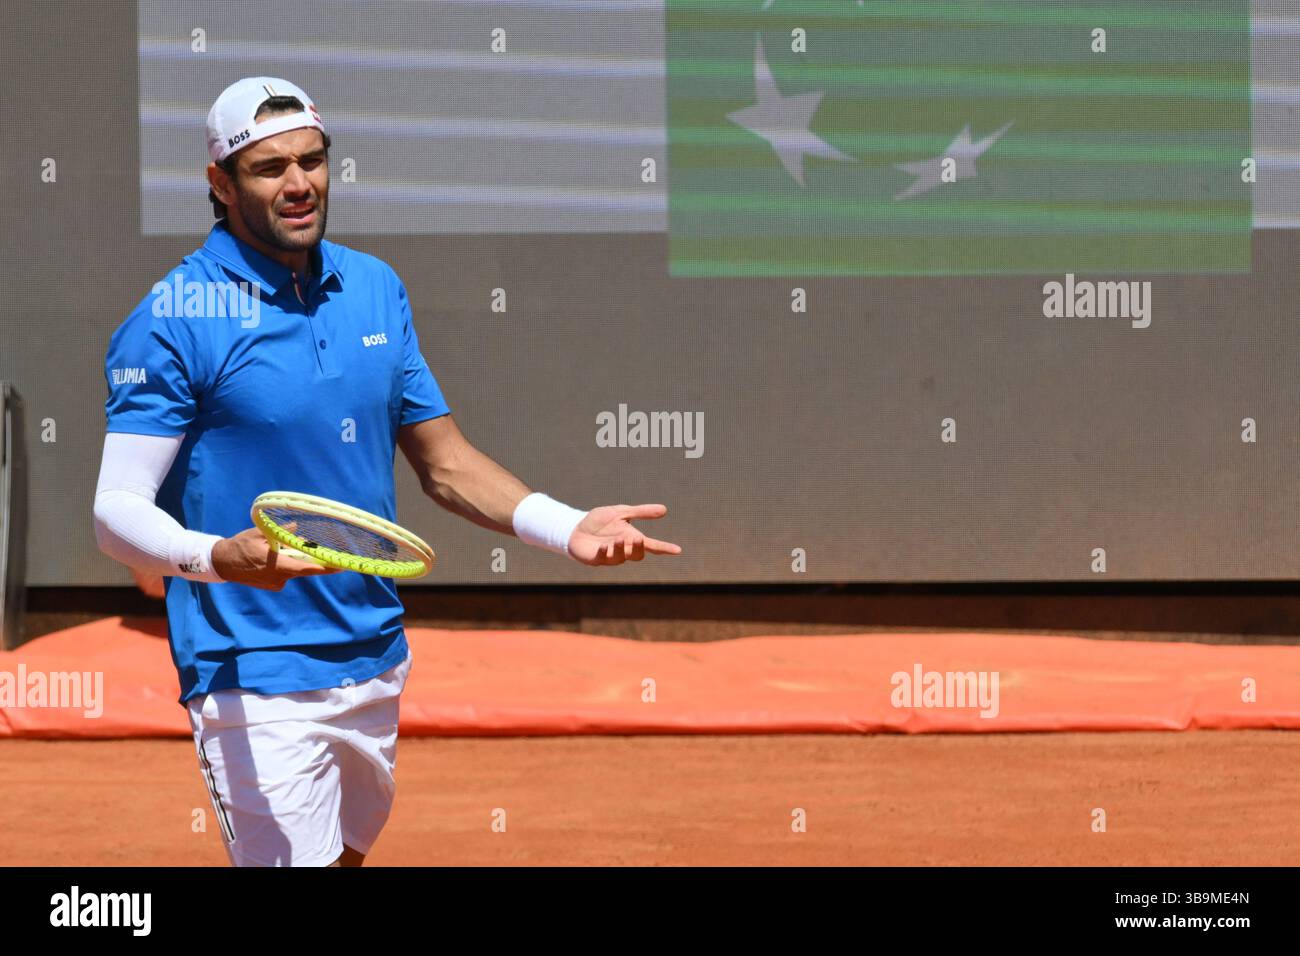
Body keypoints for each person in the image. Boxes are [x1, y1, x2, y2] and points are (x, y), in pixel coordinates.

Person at [93, 77, 681, 867]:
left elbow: (445, 463)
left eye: (312, 161)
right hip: (252, 673)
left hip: (374, 656)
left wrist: (567, 527)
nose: (299, 184)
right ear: (219, 185)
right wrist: (216, 557)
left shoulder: (374, 289)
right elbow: (114, 510)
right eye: (270, 169)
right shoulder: (174, 317)